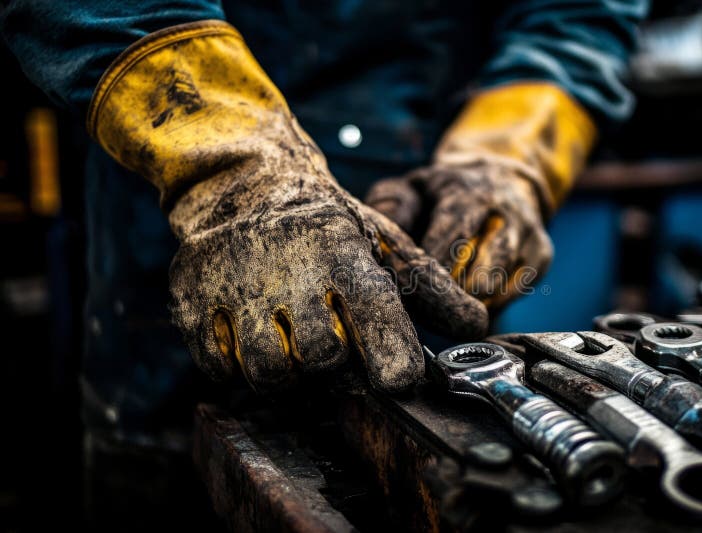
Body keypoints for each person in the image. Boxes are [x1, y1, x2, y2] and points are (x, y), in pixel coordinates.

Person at [1, 0, 648, 526]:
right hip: (171, 272)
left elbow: (578, 15)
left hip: (415, 244)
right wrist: (231, 173)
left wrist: (505, 162)